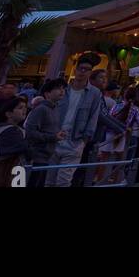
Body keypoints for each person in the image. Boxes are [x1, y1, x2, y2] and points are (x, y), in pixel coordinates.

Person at [52, 55, 104, 187]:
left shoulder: (95, 93)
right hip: (54, 139)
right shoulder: (63, 89)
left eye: (86, 69)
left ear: (90, 72)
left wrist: (83, 141)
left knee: (63, 182)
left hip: (75, 141)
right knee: (48, 180)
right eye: (80, 68)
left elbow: (93, 117)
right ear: (75, 70)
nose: (82, 71)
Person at [24, 79, 66, 188]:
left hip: (47, 155)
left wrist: (58, 134)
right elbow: (30, 131)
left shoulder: (55, 108)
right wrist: (53, 137)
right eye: (57, 89)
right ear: (47, 94)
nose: (62, 91)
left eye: (62, 88)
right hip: (36, 156)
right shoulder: (41, 109)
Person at [0, 96, 28, 187]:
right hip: (3, 175)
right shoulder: (10, 131)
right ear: (8, 114)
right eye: (20, 108)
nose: (24, 110)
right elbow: (24, 149)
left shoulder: (4, 129)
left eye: (25, 107)